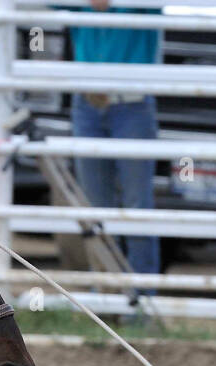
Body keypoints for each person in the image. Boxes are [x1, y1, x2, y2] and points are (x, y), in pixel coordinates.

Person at [63, 0, 162, 285]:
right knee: (95, 207)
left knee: (137, 205)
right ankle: (106, 291)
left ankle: (141, 296)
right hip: (88, 104)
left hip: (131, 103)